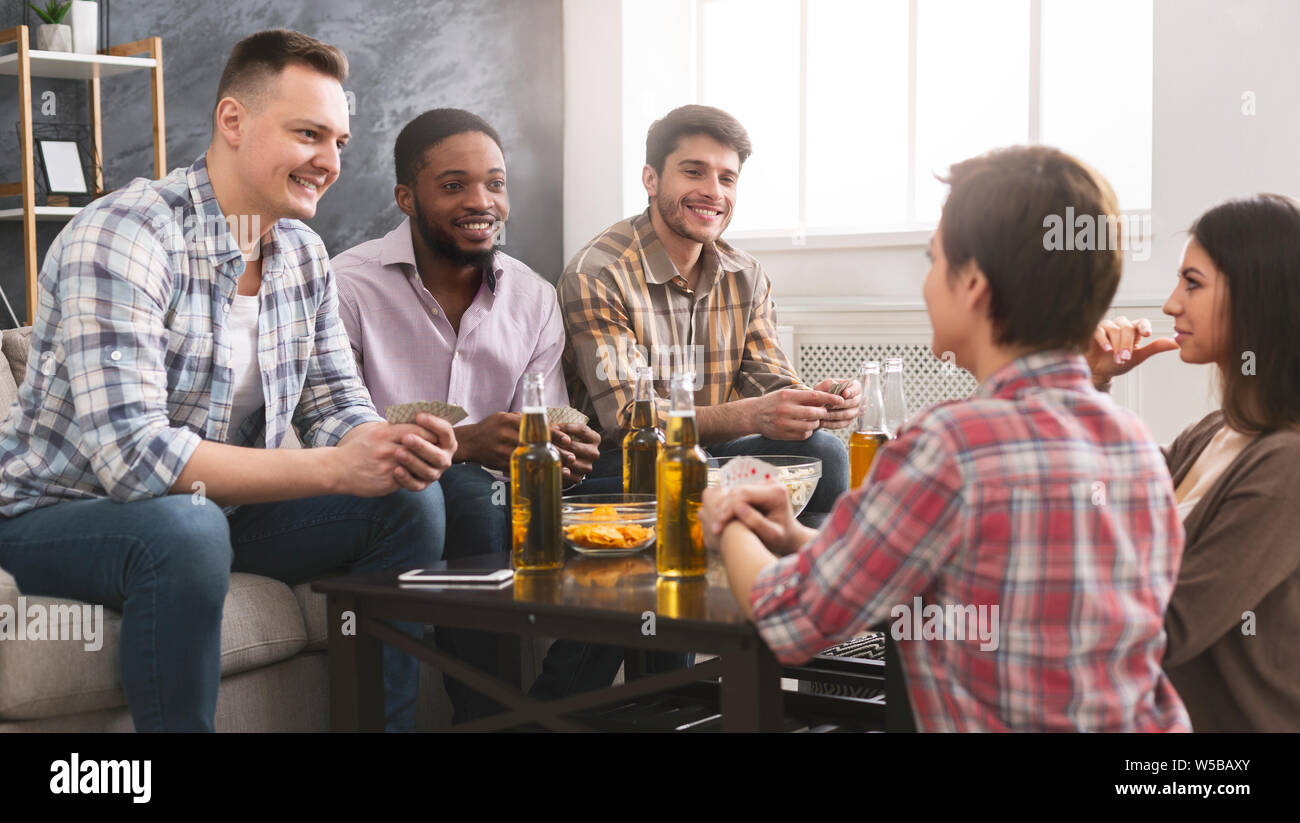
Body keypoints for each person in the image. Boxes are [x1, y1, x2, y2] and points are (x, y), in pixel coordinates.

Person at [0, 29, 456, 733]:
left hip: (217, 517)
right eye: (309, 134)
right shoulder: (127, 232)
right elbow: (134, 459)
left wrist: (388, 447)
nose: (329, 161)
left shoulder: (303, 256)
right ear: (233, 122)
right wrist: (335, 468)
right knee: (187, 526)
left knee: (410, 502)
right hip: (54, 517)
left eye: (340, 141)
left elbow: (337, 403)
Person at [700, 145, 1191, 732]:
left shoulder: (952, 444)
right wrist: (793, 535)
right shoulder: (1134, 442)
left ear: (975, 283)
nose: (928, 284)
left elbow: (791, 616)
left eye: (934, 262)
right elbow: (949, 564)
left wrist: (727, 514)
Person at [333, 108, 601, 722]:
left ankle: (574, 710)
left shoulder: (534, 297)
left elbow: (544, 417)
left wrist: (564, 450)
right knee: (474, 493)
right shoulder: (346, 286)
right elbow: (333, 431)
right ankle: (489, 718)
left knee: (654, 488)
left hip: (508, 490)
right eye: (454, 185)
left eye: (495, 183)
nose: (481, 201)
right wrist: (464, 442)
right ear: (407, 196)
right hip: (391, 495)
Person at [559, 105, 857, 516]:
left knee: (824, 453)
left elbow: (772, 387)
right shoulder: (597, 274)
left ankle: (792, 577)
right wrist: (754, 415)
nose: (714, 192)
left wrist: (816, 403)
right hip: (622, 464)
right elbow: (630, 420)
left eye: (727, 178)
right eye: (694, 172)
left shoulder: (746, 275)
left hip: (708, 453)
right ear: (651, 179)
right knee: (693, 467)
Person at [1085, 194, 1300, 732]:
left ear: (1259, 296)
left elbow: (1169, 626)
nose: (1170, 304)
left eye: (1193, 283)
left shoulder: (1286, 464)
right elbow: (1105, 486)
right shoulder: (1217, 433)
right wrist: (1091, 380)